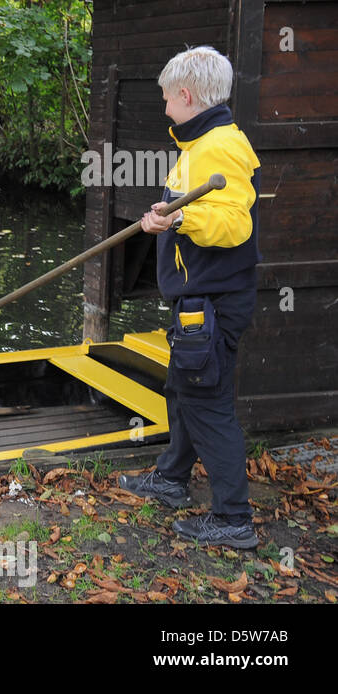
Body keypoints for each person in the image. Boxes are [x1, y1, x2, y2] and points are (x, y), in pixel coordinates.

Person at [117, 46, 262, 549]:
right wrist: (168, 215)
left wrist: (179, 217)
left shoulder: (218, 148)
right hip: (198, 300)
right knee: (182, 392)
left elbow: (234, 224)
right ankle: (171, 480)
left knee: (208, 405)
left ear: (186, 95)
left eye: (165, 99)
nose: (163, 110)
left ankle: (233, 519)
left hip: (214, 302)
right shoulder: (202, 141)